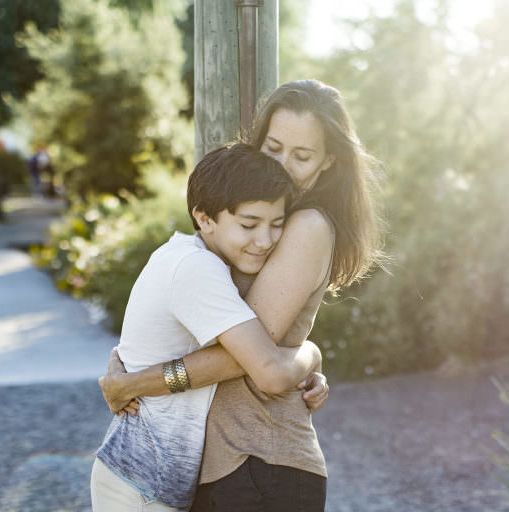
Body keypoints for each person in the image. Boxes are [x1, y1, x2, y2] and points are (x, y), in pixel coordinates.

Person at [99, 79, 384, 511]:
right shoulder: (259, 216)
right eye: (273, 147)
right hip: (231, 463)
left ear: (328, 162)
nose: (285, 166)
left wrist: (137, 383)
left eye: (302, 156)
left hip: (261, 457)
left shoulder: (305, 225)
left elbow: (254, 357)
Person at [90, 143, 324, 511]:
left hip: (153, 482)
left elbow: (230, 359)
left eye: (277, 225)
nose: (264, 241)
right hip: (139, 485)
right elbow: (270, 373)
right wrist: (310, 352)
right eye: (249, 224)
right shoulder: (196, 269)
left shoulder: (185, 258)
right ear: (204, 218)